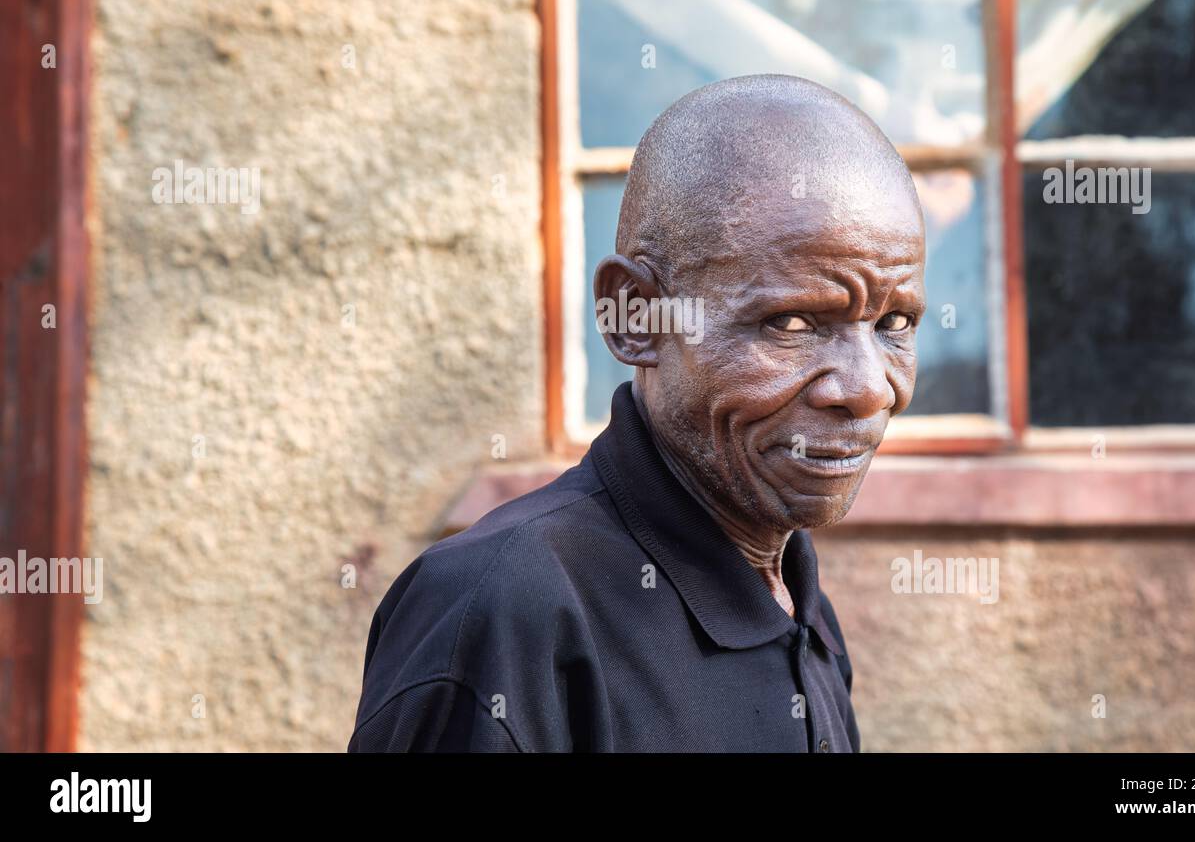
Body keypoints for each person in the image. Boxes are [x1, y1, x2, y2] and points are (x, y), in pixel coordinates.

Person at [348, 74, 926, 752]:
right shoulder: (502, 610)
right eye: (792, 322)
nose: (869, 390)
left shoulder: (795, 596)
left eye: (894, 322)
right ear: (636, 315)